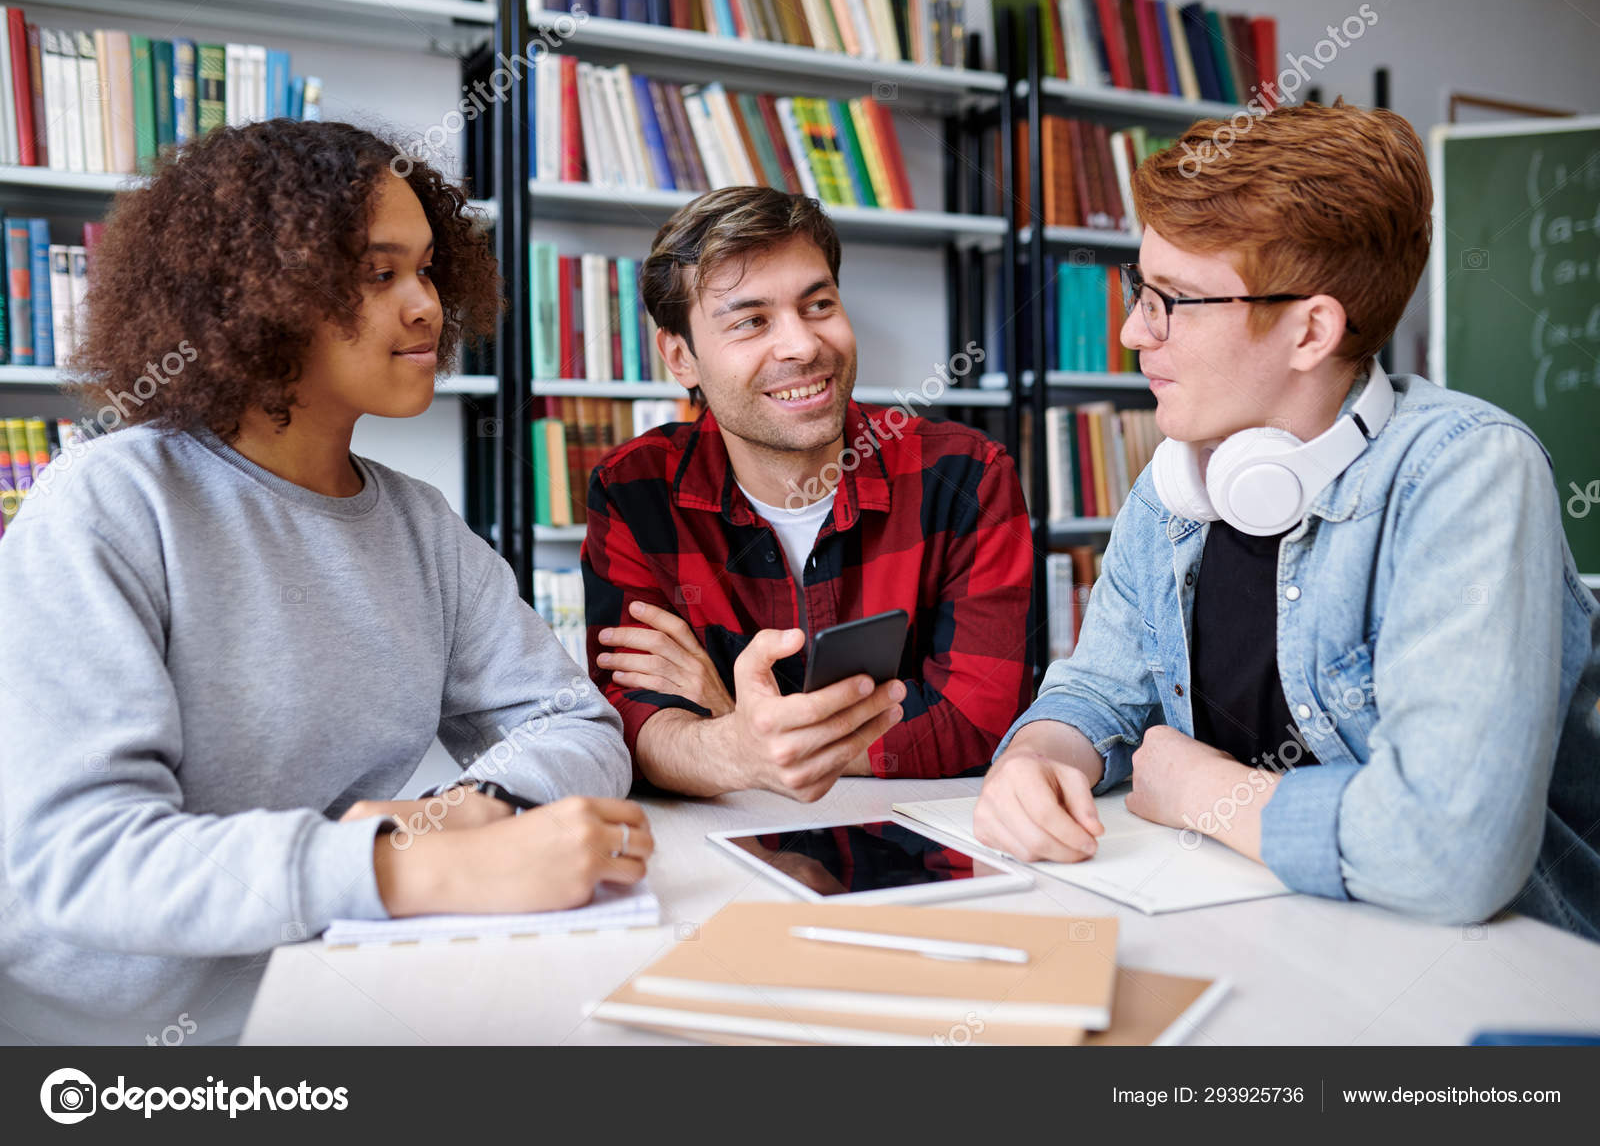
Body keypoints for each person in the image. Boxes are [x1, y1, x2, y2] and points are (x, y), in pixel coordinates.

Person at [0, 120, 649, 1045]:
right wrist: (407, 865)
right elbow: (82, 858)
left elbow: (573, 720)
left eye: (428, 269)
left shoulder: (421, 525)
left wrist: (467, 814)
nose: (425, 305)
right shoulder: (109, 502)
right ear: (262, 294)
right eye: (378, 274)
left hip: (334, 983)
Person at [975, 100, 1600, 940]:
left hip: (1490, 974)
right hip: (1270, 931)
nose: (1132, 331)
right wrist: (1035, 759)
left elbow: (1455, 850)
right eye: (1139, 289)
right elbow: (1095, 692)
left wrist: (1206, 793)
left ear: (1311, 329)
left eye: (1174, 301)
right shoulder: (1176, 488)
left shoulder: (1468, 471)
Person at [582, 186, 1033, 799]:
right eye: (751, 321)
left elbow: (977, 720)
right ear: (681, 357)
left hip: (917, 850)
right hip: (725, 854)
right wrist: (738, 743)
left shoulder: (968, 474)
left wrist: (731, 730)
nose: (802, 345)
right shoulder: (632, 491)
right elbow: (631, 722)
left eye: (818, 304)